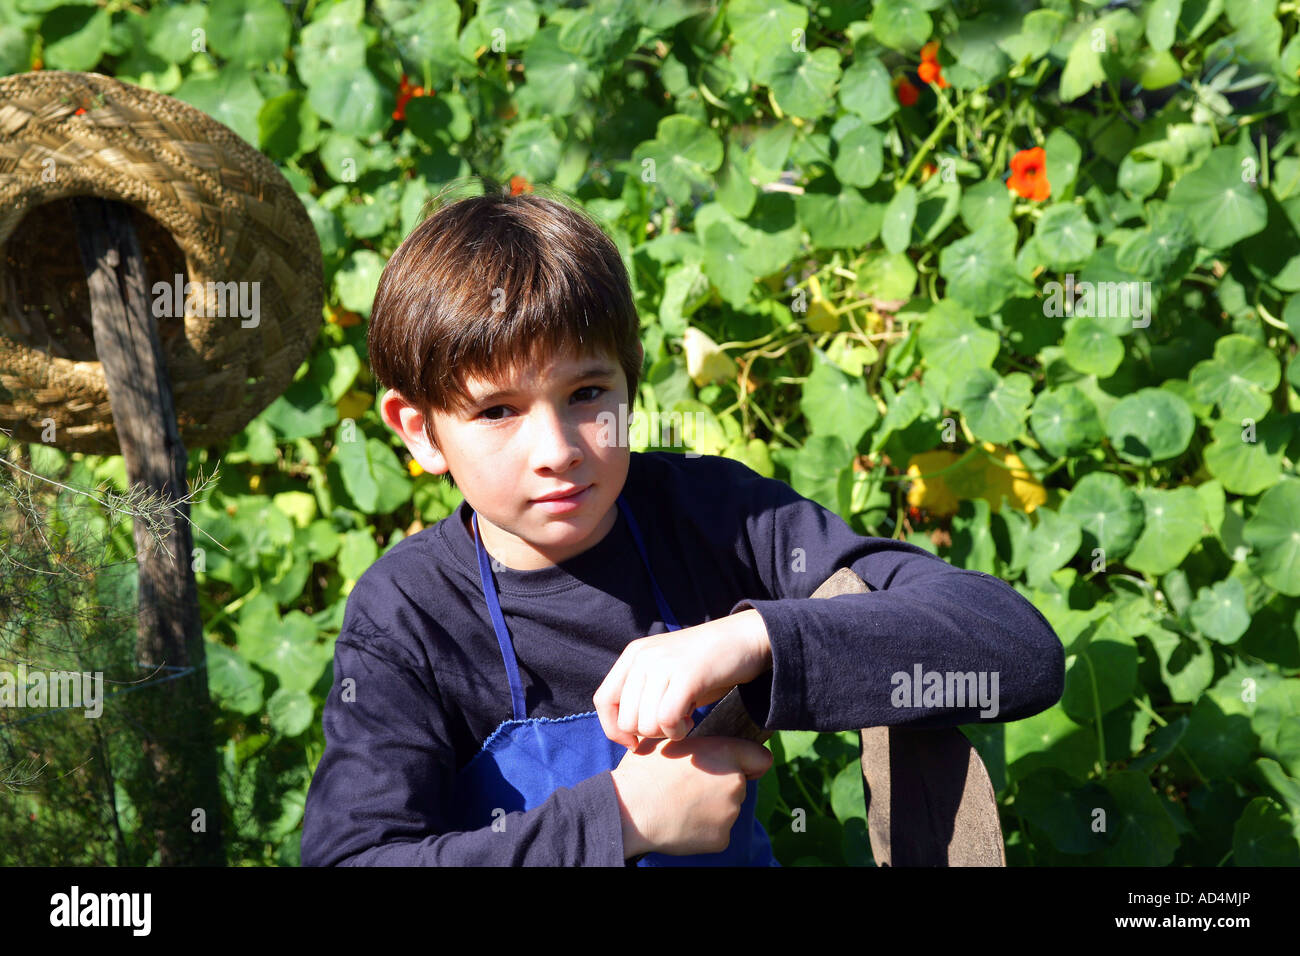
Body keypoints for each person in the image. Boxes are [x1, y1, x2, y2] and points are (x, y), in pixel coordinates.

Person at [300, 180, 1064, 866]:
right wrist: (619, 821)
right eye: (498, 411)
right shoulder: (406, 615)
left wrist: (753, 638)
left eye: (588, 394)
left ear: (631, 375)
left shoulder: (713, 516)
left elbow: (1019, 649)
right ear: (420, 430)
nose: (558, 451)